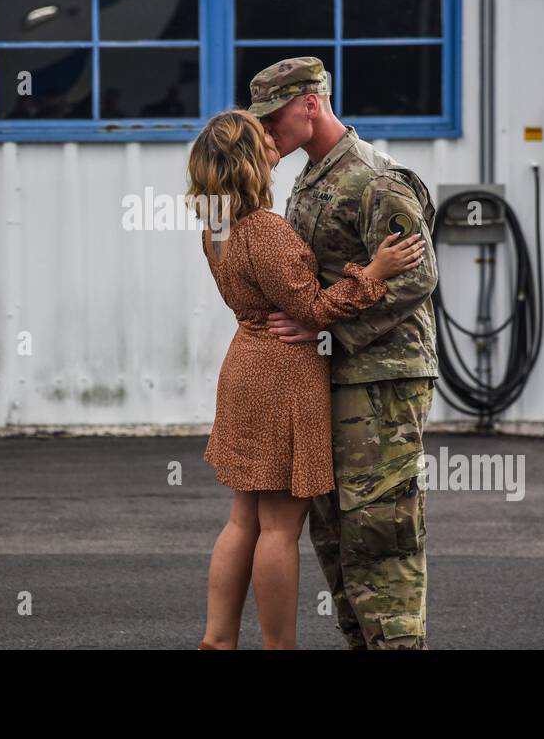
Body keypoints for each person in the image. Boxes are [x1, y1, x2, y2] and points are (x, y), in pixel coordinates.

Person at [185, 109, 425, 650]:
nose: (273, 139)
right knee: (278, 528)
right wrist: (374, 274)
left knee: (243, 518)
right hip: (283, 375)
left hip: (246, 365)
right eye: (261, 136)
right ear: (249, 159)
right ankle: (278, 646)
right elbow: (312, 308)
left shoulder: (217, 228)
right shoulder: (265, 231)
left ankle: (218, 638)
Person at [248, 56, 439, 650]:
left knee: (379, 532)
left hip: (379, 378)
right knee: (335, 536)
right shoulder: (311, 176)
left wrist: (331, 331)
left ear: (311, 104)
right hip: (332, 376)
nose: (268, 131)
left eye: (275, 117)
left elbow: (417, 277)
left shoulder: (375, 178)